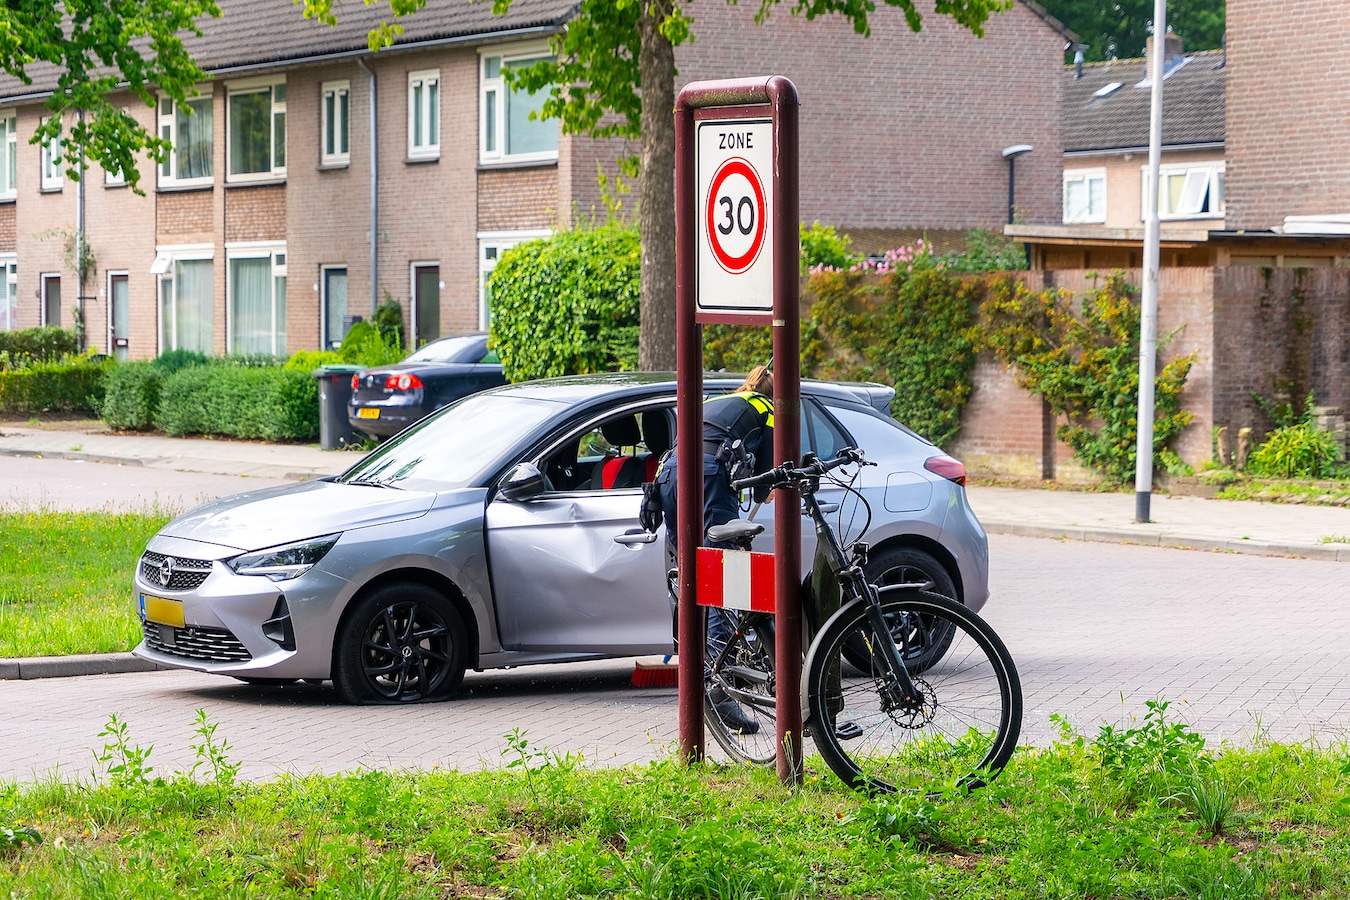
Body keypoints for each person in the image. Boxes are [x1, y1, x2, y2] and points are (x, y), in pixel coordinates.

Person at [652, 365, 774, 733]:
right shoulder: (766, 408)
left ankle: (699, 674)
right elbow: (768, 473)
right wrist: (764, 492)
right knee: (721, 578)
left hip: (669, 478)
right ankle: (719, 689)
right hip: (708, 476)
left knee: (692, 578)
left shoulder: (720, 401)